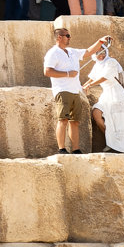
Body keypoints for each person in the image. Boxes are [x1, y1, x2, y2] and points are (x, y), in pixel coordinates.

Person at [43, 19, 88, 153]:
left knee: (75, 121)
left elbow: (88, 52)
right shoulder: (53, 53)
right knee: (63, 119)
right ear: (59, 37)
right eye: (67, 36)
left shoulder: (71, 51)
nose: (70, 38)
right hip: (62, 90)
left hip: (75, 91)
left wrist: (101, 42)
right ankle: (61, 148)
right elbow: (47, 71)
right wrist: (68, 73)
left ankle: (76, 149)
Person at [85, 35, 124, 153]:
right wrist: (83, 86)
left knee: (117, 121)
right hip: (106, 95)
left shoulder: (111, 62)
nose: (101, 55)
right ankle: (111, 141)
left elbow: (104, 77)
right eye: (98, 52)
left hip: (116, 94)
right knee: (96, 113)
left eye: (103, 52)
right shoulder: (97, 65)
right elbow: (91, 78)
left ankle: (118, 147)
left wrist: (90, 85)